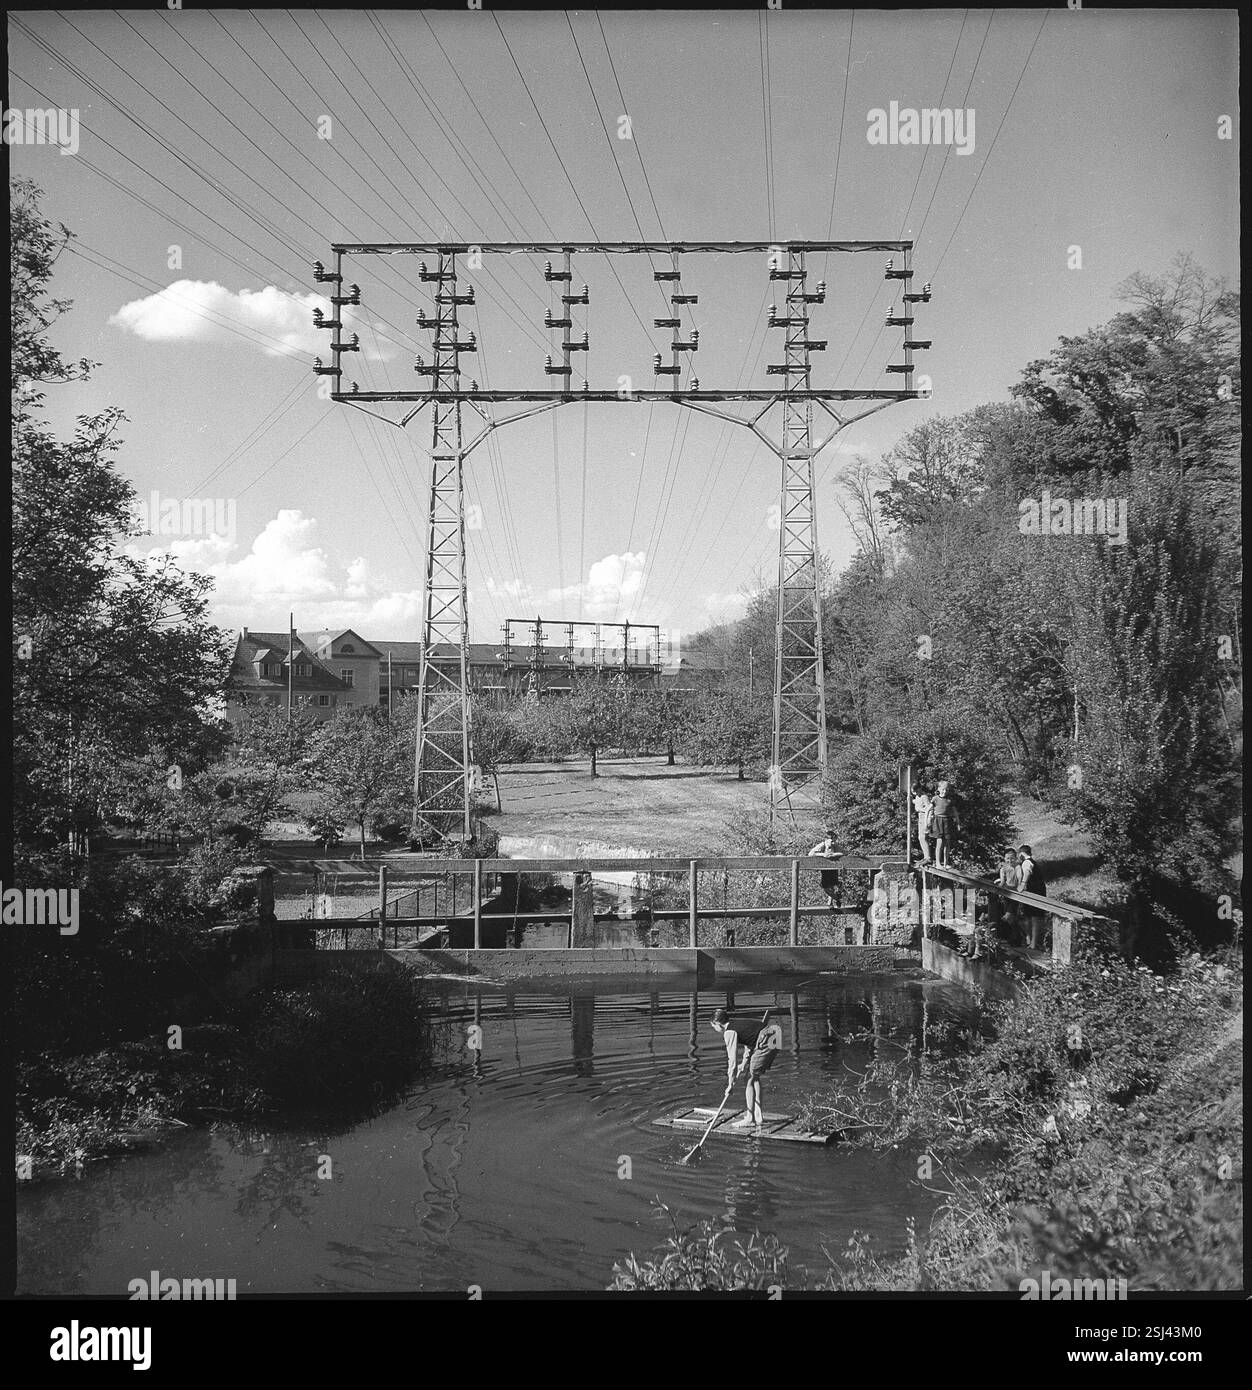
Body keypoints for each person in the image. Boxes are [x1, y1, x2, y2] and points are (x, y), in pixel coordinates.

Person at [711, 1008, 780, 1128]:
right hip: (775, 1035)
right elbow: (750, 1042)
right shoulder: (737, 1024)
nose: (714, 1030)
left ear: (718, 1024)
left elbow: (732, 1061)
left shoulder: (729, 1032)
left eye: (713, 1027)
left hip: (766, 1040)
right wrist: (744, 1063)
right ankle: (758, 1115)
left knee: (749, 1078)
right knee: (754, 1077)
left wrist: (730, 1083)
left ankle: (750, 1118)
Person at [1017, 844, 1049, 950]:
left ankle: (1033, 942)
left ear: (1021, 854)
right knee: (1031, 916)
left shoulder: (1026, 862)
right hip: (1039, 890)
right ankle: (1030, 941)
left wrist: (1022, 885)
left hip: (1034, 892)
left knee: (1033, 917)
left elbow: (1026, 873)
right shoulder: (1033, 862)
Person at [808, 829, 845, 908]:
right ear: (826, 840)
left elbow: (844, 853)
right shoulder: (822, 845)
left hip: (834, 868)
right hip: (825, 869)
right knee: (826, 887)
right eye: (831, 840)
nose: (833, 842)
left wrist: (834, 854)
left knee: (833, 884)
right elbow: (811, 853)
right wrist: (823, 854)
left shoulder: (835, 845)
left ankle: (830, 903)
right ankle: (837, 898)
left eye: (834, 840)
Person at [930, 782, 959, 866]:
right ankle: (938, 863)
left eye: (947, 790)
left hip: (947, 821)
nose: (945, 791)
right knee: (939, 842)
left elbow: (955, 812)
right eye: (943, 789)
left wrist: (958, 823)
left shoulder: (950, 800)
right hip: (938, 821)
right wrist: (926, 821)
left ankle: (946, 863)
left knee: (947, 843)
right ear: (939, 789)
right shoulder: (935, 799)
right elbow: (928, 809)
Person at [912, 788, 935, 863]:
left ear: (919, 789)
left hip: (924, 817)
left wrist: (927, 821)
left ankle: (928, 857)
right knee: (921, 837)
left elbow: (930, 808)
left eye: (916, 791)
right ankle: (926, 857)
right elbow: (918, 803)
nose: (915, 793)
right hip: (920, 816)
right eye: (913, 792)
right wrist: (912, 800)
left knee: (923, 837)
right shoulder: (918, 796)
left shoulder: (924, 796)